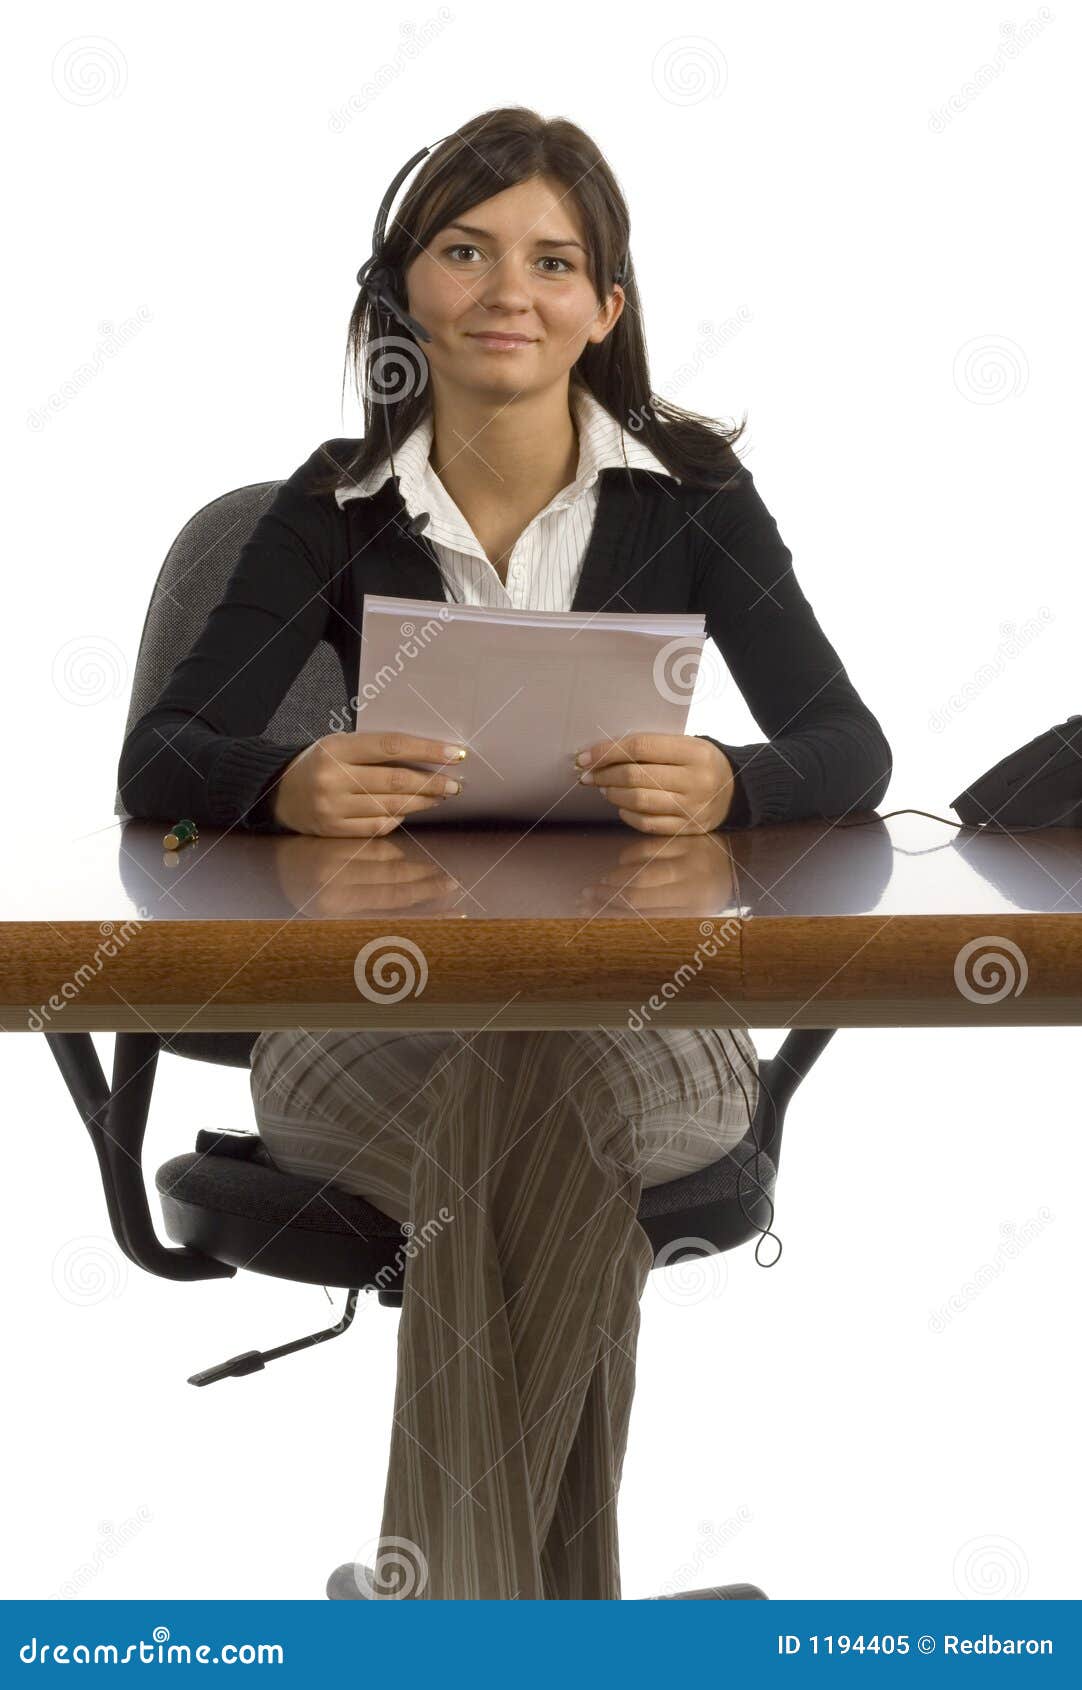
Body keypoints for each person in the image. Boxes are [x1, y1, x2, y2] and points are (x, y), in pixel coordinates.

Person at [117, 106, 892, 1601]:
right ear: (408, 289)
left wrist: (728, 781)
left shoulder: (695, 500)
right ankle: (544, 1626)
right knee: (537, 1121)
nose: (506, 292)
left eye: (552, 261)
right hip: (370, 1028)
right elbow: (161, 766)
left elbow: (847, 750)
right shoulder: (330, 507)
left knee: (543, 1089)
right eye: (464, 252)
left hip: (649, 1030)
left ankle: (438, 1621)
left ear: (604, 310)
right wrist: (289, 780)